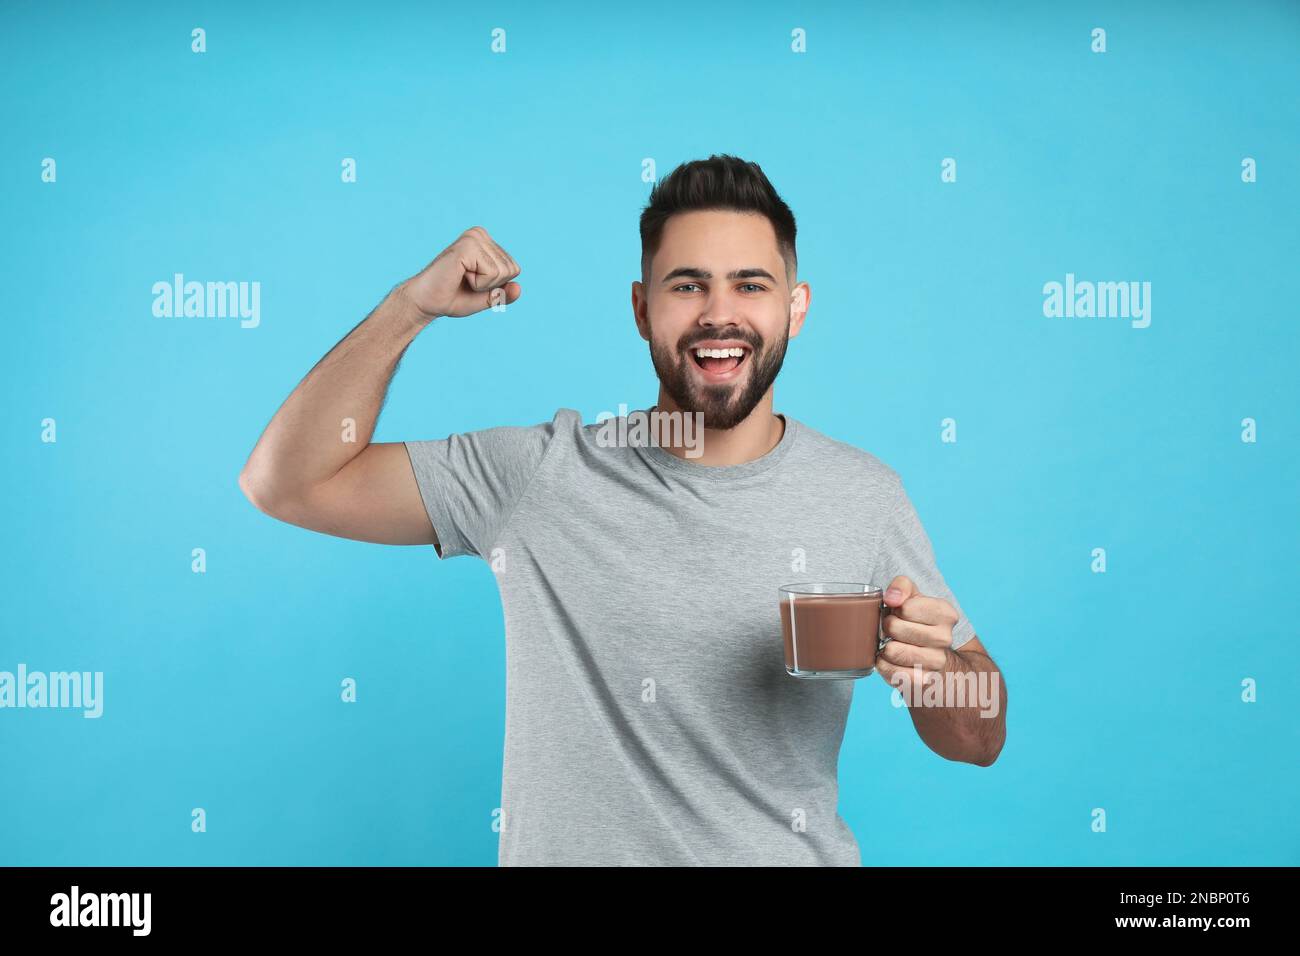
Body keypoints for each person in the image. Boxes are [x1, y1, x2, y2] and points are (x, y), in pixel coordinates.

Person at [239, 154, 1007, 866]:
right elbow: (287, 482)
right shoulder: (540, 477)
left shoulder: (862, 494)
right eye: (686, 285)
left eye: (750, 284)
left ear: (795, 307)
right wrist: (411, 308)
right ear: (642, 309)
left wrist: (935, 672)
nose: (718, 314)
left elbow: (980, 738)